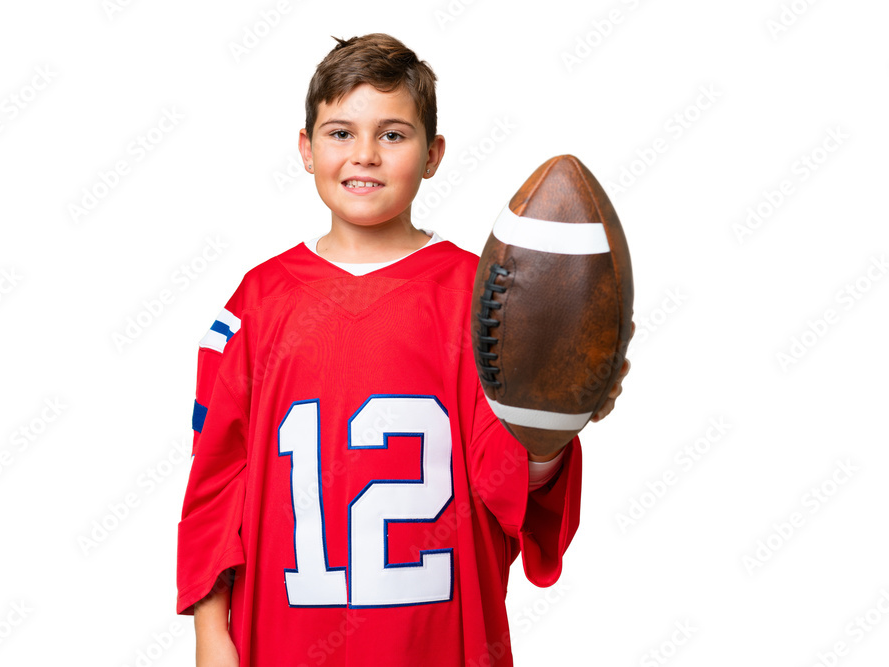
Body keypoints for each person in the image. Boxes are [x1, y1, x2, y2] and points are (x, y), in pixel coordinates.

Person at [176, 33, 631, 667]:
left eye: (393, 134)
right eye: (340, 133)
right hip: (285, 640)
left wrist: (551, 423)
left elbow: (507, 489)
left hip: (439, 641)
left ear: (433, 153)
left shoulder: (482, 299)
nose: (364, 155)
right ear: (305, 150)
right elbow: (217, 480)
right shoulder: (257, 302)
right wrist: (209, 629)